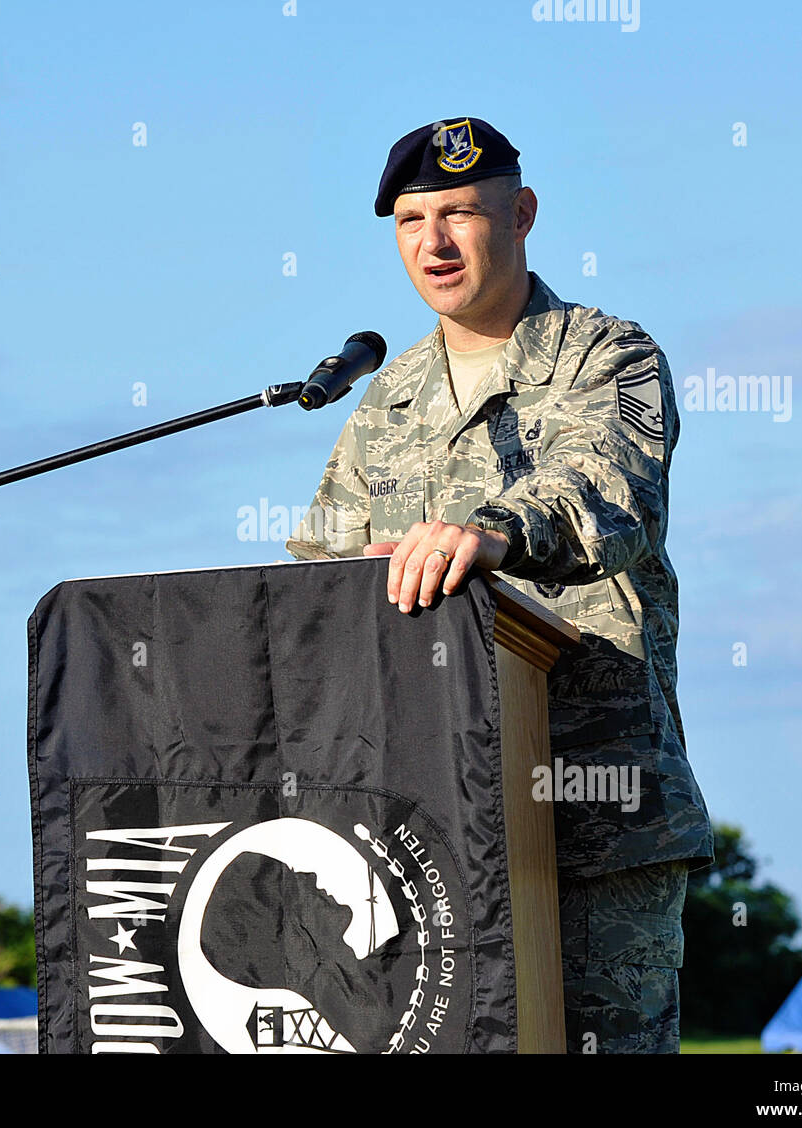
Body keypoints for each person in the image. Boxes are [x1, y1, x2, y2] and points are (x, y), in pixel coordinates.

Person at [286, 116, 713, 1053]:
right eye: (410, 220)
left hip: (592, 815)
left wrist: (488, 536)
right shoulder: (384, 398)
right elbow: (315, 584)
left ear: (520, 214)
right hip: (424, 835)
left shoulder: (607, 355)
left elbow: (607, 491)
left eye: (460, 214)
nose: (433, 242)